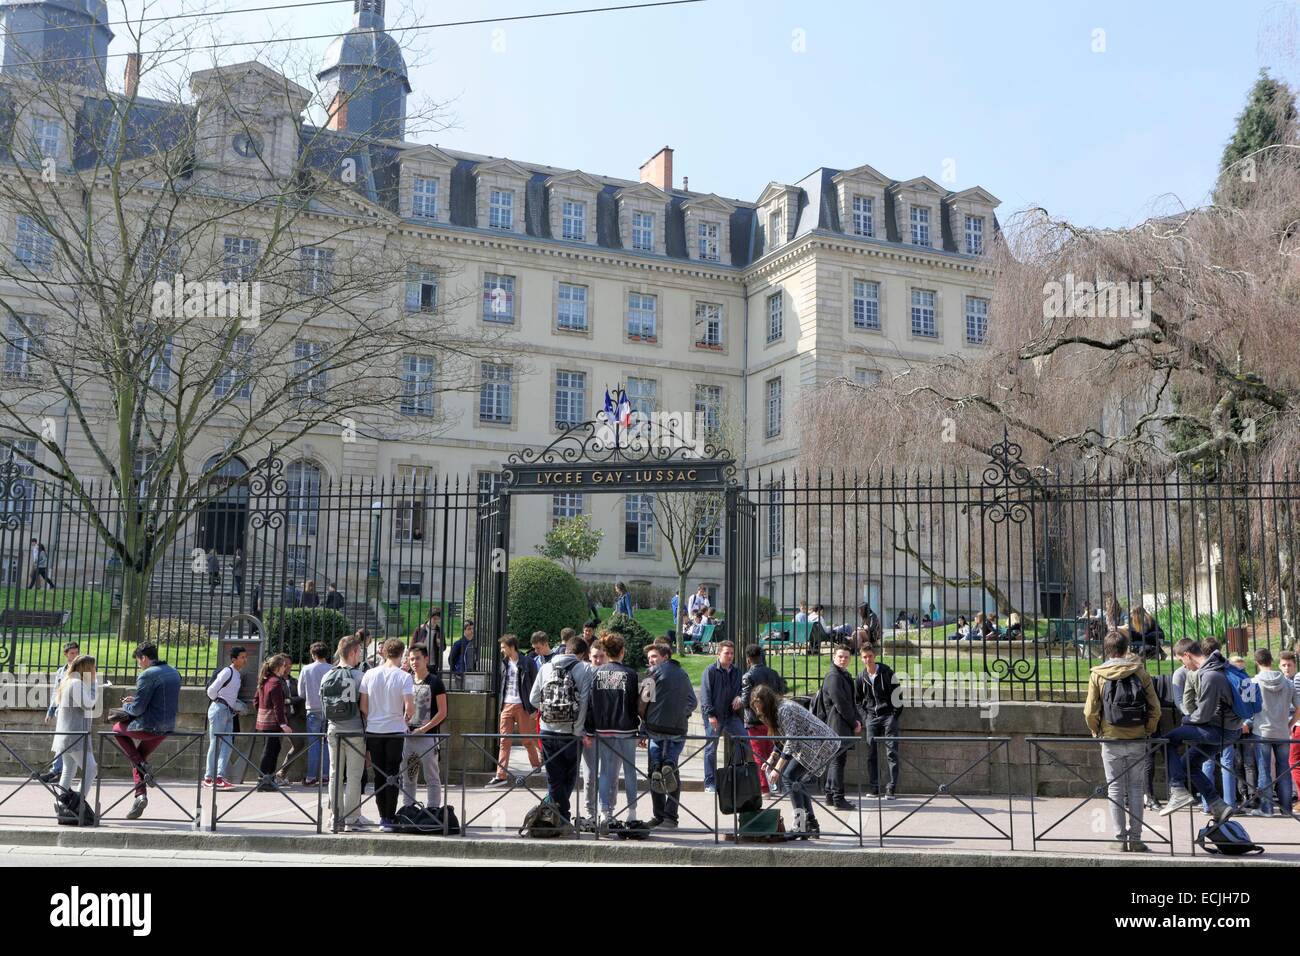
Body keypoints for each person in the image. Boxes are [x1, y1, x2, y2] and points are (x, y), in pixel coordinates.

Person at [1083, 630, 1161, 852]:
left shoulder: (1097, 674)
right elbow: (1155, 708)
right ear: (1127, 648)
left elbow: (1090, 711)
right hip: (1137, 736)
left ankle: (1119, 840)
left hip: (1110, 737)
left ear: (1106, 649)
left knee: (1115, 788)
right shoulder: (1140, 672)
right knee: (1136, 788)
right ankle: (1135, 839)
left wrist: (1096, 730)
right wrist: (1147, 729)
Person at [1159, 640, 1239, 824]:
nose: (1183, 665)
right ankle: (1217, 804)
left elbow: (1203, 714)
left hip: (1219, 730)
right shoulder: (1221, 667)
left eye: (1181, 660)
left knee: (1168, 740)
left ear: (1187, 655)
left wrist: (1186, 720)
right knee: (1189, 763)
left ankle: (1177, 790)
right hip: (1230, 730)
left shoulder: (1210, 675)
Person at [751, 684, 837, 839]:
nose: (758, 710)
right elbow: (783, 738)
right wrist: (772, 758)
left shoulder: (784, 709)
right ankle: (810, 825)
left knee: (788, 777)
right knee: (795, 780)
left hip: (818, 745)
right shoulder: (775, 711)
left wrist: (777, 768)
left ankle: (800, 826)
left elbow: (791, 738)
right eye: (755, 706)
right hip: (808, 746)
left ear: (767, 702)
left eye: (759, 705)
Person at [529, 631, 595, 825]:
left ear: (566, 649)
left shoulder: (546, 667)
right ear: (583, 653)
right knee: (569, 776)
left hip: (547, 730)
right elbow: (584, 702)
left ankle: (557, 815)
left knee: (553, 777)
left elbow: (533, 699)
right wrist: (578, 729)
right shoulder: (585, 669)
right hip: (571, 732)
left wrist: (548, 710)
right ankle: (561, 815)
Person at [110, 642, 181, 820]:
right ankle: (140, 796)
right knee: (137, 756)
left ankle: (141, 765)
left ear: (144, 658)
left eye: (138, 661)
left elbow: (137, 710)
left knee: (117, 729)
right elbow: (158, 699)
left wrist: (126, 704)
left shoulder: (147, 674)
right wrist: (136, 699)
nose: (139, 665)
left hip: (149, 726)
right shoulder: (174, 672)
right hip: (167, 728)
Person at [586, 632, 641, 831]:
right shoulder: (631, 674)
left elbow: (591, 703)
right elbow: (635, 704)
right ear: (622, 652)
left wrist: (590, 729)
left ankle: (604, 812)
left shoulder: (595, 673)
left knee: (606, 772)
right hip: (626, 727)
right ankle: (632, 812)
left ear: (606, 652)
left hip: (603, 727)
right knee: (630, 771)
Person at [359, 638, 415, 832]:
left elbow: (363, 706)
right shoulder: (404, 677)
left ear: (384, 653)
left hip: (374, 729)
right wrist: (404, 719)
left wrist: (374, 717)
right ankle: (389, 817)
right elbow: (410, 708)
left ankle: (382, 815)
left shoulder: (369, 674)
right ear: (402, 654)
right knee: (392, 773)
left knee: (379, 774)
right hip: (395, 730)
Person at [640, 640, 696, 829]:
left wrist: (643, 723)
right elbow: (692, 701)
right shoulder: (684, 674)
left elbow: (643, 702)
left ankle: (659, 815)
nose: (651, 661)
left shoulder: (652, 674)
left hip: (654, 729)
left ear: (665, 657)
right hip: (678, 729)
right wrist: (682, 713)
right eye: (649, 658)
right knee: (671, 770)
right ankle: (670, 817)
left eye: (654, 657)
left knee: (655, 771)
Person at [323, 634, 371, 832]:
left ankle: (336, 816)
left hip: (333, 729)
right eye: (359, 651)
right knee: (353, 775)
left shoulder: (327, 675)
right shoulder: (360, 676)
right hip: (354, 731)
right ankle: (352, 818)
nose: (359, 655)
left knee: (334, 773)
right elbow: (365, 708)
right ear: (353, 652)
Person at [1247, 648, 1298, 816]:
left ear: (1257, 662)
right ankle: (1286, 809)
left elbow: (1245, 709)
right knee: (1284, 770)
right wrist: (1289, 724)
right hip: (1282, 731)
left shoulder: (1250, 682)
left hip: (1261, 731)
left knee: (1264, 770)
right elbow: (1299, 707)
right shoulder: (1288, 683)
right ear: (1271, 661)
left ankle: (1267, 809)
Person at [487, 634, 541, 786]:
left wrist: (534, 706)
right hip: (506, 705)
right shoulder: (503, 663)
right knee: (504, 740)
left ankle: (536, 765)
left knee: (527, 739)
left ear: (512, 647)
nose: (502, 650)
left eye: (504, 647)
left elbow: (535, 685)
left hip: (523, 705)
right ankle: (501, 775)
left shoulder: (528, 662)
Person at [401, 644, 448, 814]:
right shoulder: (406, 680)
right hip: (408, 736)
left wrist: (424, 728)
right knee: (408, 776)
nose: (414, 662)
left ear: (426, 659)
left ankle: (433, 810)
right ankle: (408, 808)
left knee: (431, 776)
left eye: (417, 658)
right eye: (411, 658)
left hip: (428, 737)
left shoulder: (435, 682)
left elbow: (443, 712)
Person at [854, 641, 902, 798]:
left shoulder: (887, 672)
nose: (868, 659)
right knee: (871, 753)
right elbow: (858, 701)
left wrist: (894, 714)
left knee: (892, 752)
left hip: (888, 715)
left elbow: (898, 695)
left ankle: (891, 788)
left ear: (875, 656)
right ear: (861, 659)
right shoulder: (861, 677)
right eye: (864, 657)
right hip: (871, 717)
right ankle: (875, 787)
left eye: (870, 656)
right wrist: (865, 717)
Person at [699, 640, 747, 793]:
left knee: (744, 740)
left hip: (731, 715)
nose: (730, 656)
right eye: (726, 653)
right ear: (718, 653)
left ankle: (737, 775)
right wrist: (711, 715)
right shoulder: (710, 671)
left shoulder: (737, 671)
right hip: (715, 716)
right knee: (711, 748)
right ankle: (710, 782)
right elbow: (705, 695)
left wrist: (739, 697)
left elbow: (742, 690)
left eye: (732, 653)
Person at [820, 644, 861, 810]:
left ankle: (831, 795)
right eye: (840, 656)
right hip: (837, 724)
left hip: (839, 723)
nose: (843, 659)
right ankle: (838, 797)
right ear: (834, 657)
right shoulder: (834, 676)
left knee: (836, 760)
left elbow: (849, 702)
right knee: (838, 761)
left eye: (846, 657)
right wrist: (854, 722)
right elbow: (841, 704)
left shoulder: (841, 675)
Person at [740, 644, 785, 792]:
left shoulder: (748, 676)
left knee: (759, 755)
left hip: (754, 721)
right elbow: (781, 692)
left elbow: (746, 701)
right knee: (773, 752)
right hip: (771, 719)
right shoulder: (772, 673)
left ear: (748, 660)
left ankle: (764, 787)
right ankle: (775, 784)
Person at [52, 654, 98, 799]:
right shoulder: (76, 683)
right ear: (87, 669)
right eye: (93, 668)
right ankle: (78, 802)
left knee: (69, 770)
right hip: (75, 736)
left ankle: (62, 803)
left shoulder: (70, 681)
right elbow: (88, 704)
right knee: (91, 769)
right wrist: (94, 685)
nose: (95, 671)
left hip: (67, 734)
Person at [204, 645, 248, 789]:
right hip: (220, 709)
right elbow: (211, 690)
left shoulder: (237, 674)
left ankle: (219, 777)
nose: (245, 660)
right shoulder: (227, 671)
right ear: (234, 659)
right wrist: (220, 702)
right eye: (242, 657)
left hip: (229, 711)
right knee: (216, 743)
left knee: (227, 744)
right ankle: (209, 778)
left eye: (245, 657)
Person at [577, 638, 609, 831]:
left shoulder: (612, 674)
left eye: (601, 656)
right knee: (589, 776)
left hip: (608, 731)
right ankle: (590, 813)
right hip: (589, 732)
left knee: (607, 775)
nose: (598, 659)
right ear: (589, 656)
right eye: (595, 656)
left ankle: (606, 813)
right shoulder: (584, 675)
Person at [40, 641, 81, 783]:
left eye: (77, 653)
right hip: (61, 711)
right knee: (61, 740)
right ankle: (57, 770)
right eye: (72, 653)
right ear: (66, 654)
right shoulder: (61, 671)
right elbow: (56, 692)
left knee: (66, 741)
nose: (75, 656)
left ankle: (58, 771)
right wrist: (50, 712)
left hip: (75, 713)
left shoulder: (82, 670)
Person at [254, 654, 294, 793]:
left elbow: (256, 701)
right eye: (284, 666)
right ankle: (264, 779)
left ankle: (267, 779)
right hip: (273, 722)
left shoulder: (265, 680)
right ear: (278, 667)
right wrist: (283, 724)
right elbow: (278, 706)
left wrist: (262, 712)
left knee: (271, 749)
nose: (286, 668)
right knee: (271, 750)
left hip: (263, 720)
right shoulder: (276, 682)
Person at [298, 642, 332, 786]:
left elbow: (301, 693)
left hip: (312, 709)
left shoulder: (306, 669)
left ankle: (311, 776)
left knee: (313, 744)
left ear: (313, 655)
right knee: (327, 743)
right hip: (329, 710)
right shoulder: (333, 669)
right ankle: (325, 775)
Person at [1280, 650, 1300, 806]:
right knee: (1288, 762)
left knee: (1293, 762)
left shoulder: (1296, 680)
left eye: (1289, 665)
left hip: (1294, 725)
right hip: (1283, 726)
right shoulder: (1279, 681)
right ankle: (1292, 794)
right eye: (1284, 665)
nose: (1287, 668)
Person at [412, 608, 445, 677]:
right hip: (420, 660)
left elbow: (443, 647)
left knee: (432, 681)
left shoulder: (439, 631)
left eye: (438, 619)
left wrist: (439, 644)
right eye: (434, 618)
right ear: (429, 617)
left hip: (433, 662)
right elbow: (412, 645)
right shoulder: (420, 629)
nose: (436, 621)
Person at [448, 622, 478, 688]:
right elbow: (451, 658)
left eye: (473, 629)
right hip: (460, 675)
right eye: (469, 629)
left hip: (471, 674)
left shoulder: (475, 644)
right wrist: (456, 672)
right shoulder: (458, 643)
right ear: (464, 630)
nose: (472, 631)